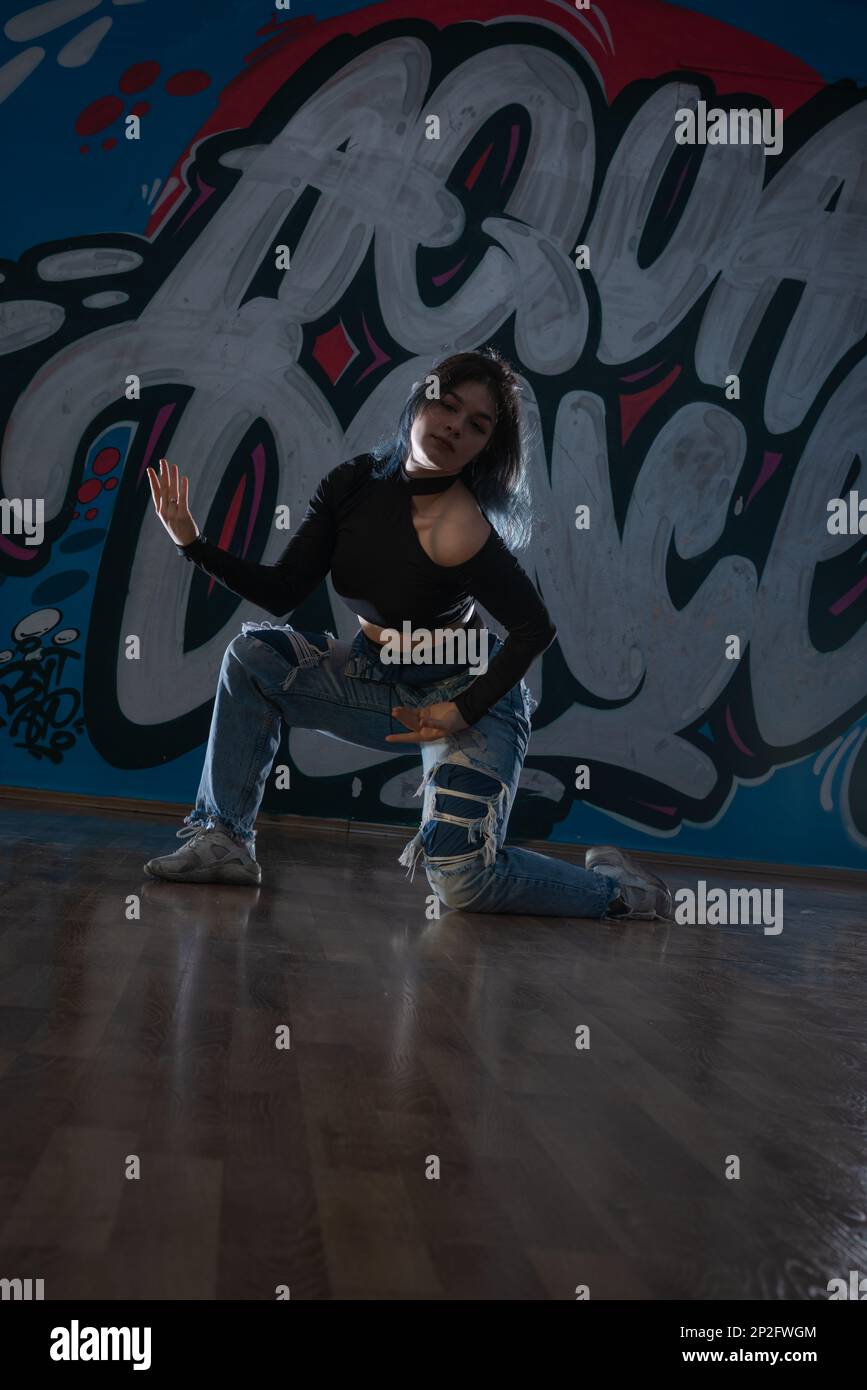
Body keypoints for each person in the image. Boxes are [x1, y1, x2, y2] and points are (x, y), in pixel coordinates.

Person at [144, 347, 673, 922]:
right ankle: (223, 841)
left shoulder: (458, 521)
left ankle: (622, 892)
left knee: (463, 883)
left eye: (477, 425)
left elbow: (533, 629)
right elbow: (283, 590)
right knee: (251, 657)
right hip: (378, 681)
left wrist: (463, 710)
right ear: (420, 401)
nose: (455, 426)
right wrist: (192, 545)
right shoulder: (354, 482)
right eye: (448, 406)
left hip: (467, 696)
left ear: (485, 446)